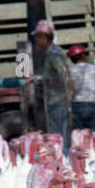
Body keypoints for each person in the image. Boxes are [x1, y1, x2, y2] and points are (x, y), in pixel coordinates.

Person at [32, 19, 74, 153]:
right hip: (56, 101)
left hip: (58, 101)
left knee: (58, 137)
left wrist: (43, 81)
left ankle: (63, 158)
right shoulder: (51, 52)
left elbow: (64, 78)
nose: (36, 41)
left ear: (44, 37)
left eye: (38, 37)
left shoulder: (54, 54)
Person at [68, 45, 95, 134]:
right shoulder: (93, 68)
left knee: (79, 134)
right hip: (92, 103)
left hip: (77, 105)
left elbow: (71, 89)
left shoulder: (70, 71)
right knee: (93, 133)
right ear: (83, 56)